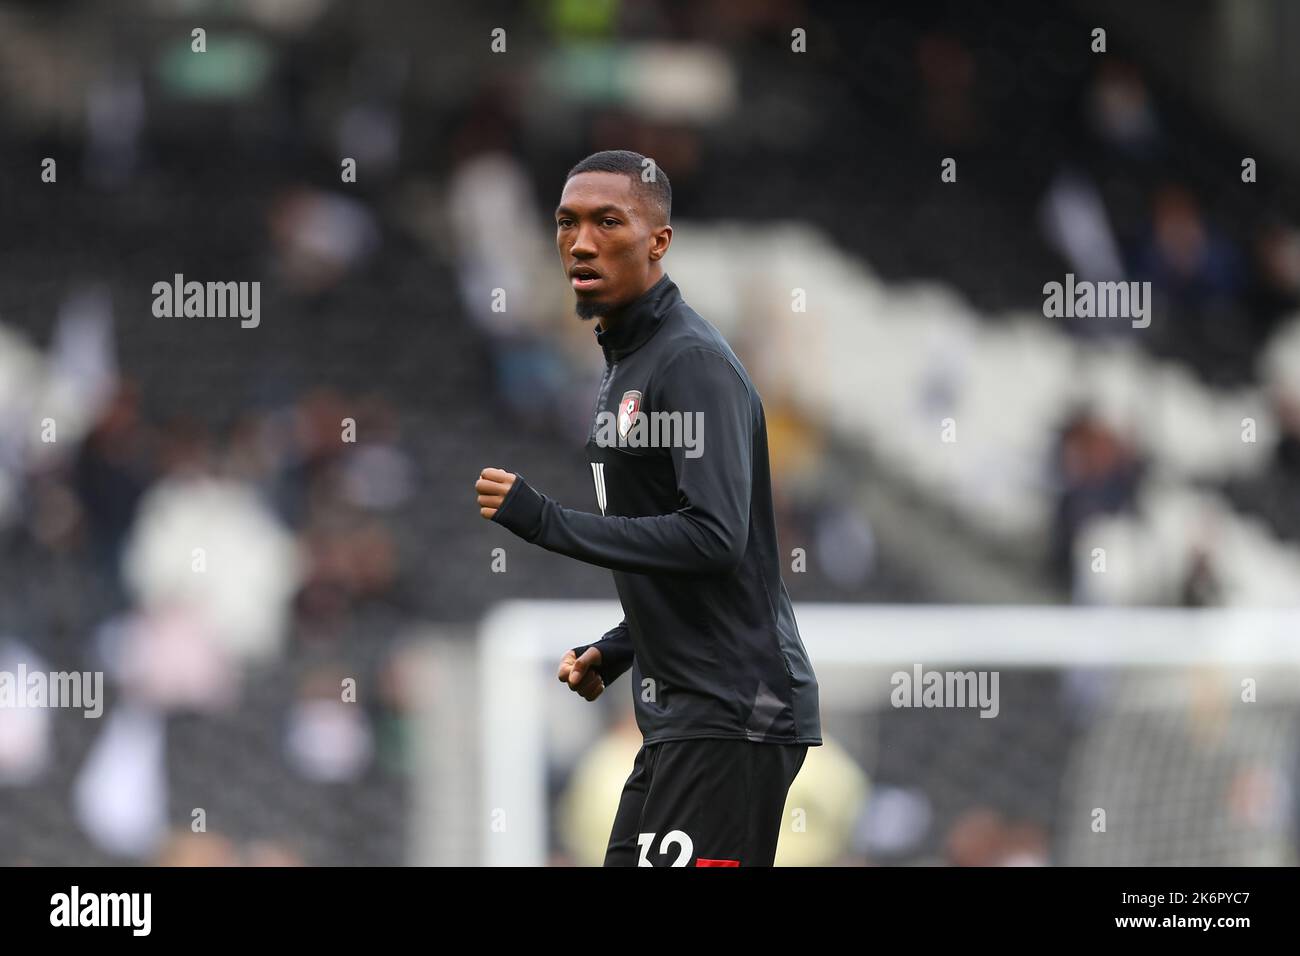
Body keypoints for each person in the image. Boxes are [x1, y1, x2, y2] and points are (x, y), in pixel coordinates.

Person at [475, 149, 821, 866]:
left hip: (733, 712)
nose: (581, 241)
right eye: (567, 223)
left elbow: (717, 538)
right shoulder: (628, 365)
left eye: (608, 221)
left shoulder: (689, 362)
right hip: (681, 716)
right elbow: (692, 562)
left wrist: (544, 521)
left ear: (658, 241)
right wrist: (623, 646)